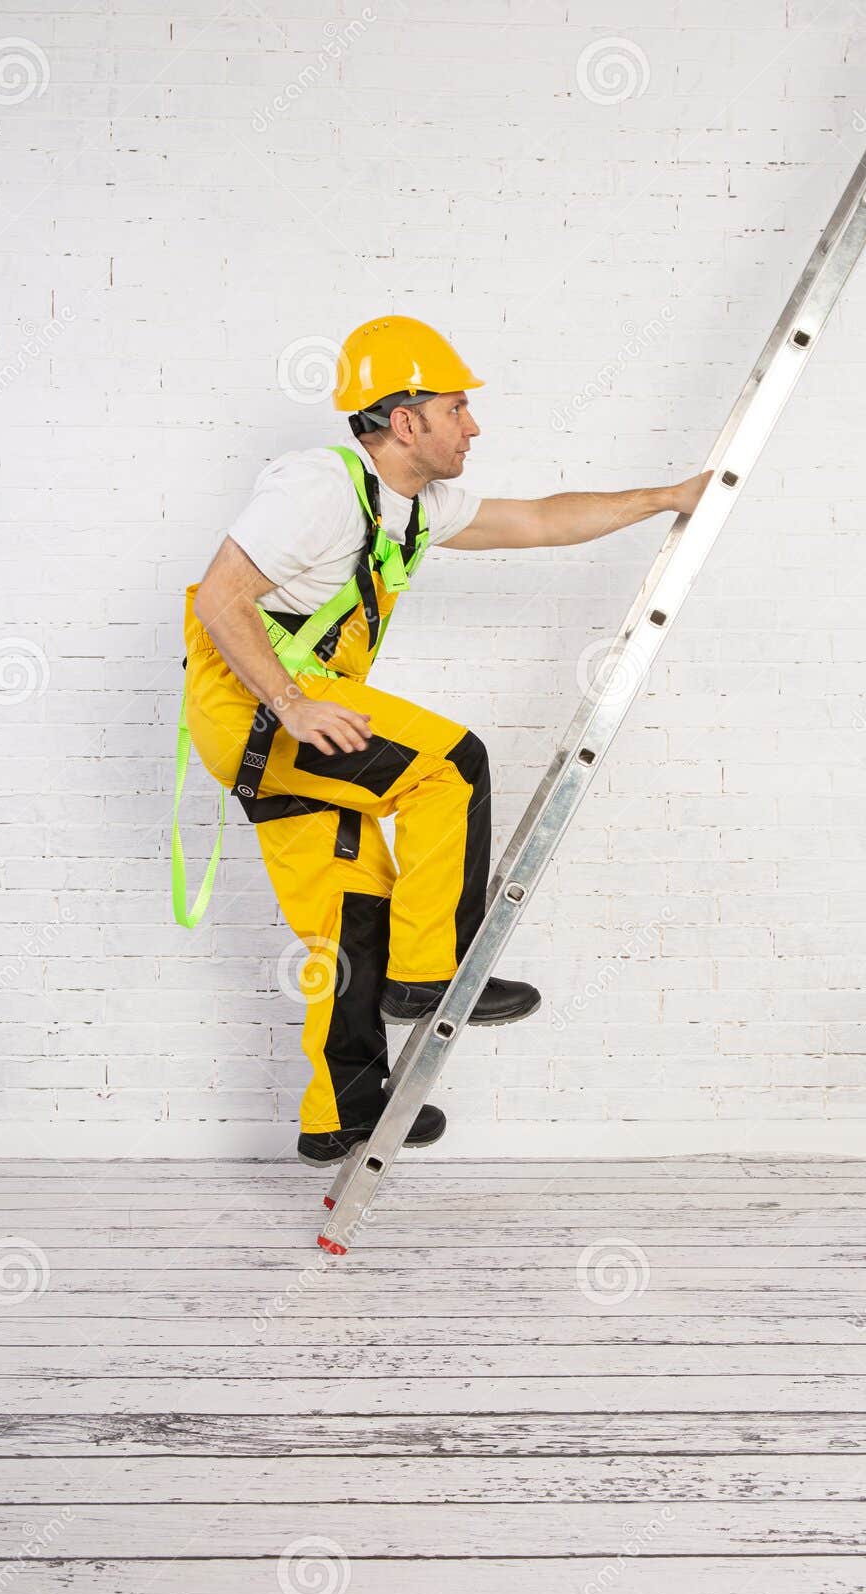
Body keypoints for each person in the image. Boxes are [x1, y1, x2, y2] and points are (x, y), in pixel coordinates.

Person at [182, 314, 710, 1166]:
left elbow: (539, 520)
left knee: (349, 914)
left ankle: (342, 1113)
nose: (473, 426)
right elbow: (219, 598)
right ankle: (429, 972)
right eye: (456, 408)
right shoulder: (320, 486)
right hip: (259, 710)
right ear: (405, 420)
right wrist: (290, 703)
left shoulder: (415, 506)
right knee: (451, 767)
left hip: (295, 719)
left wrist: (663, 499)